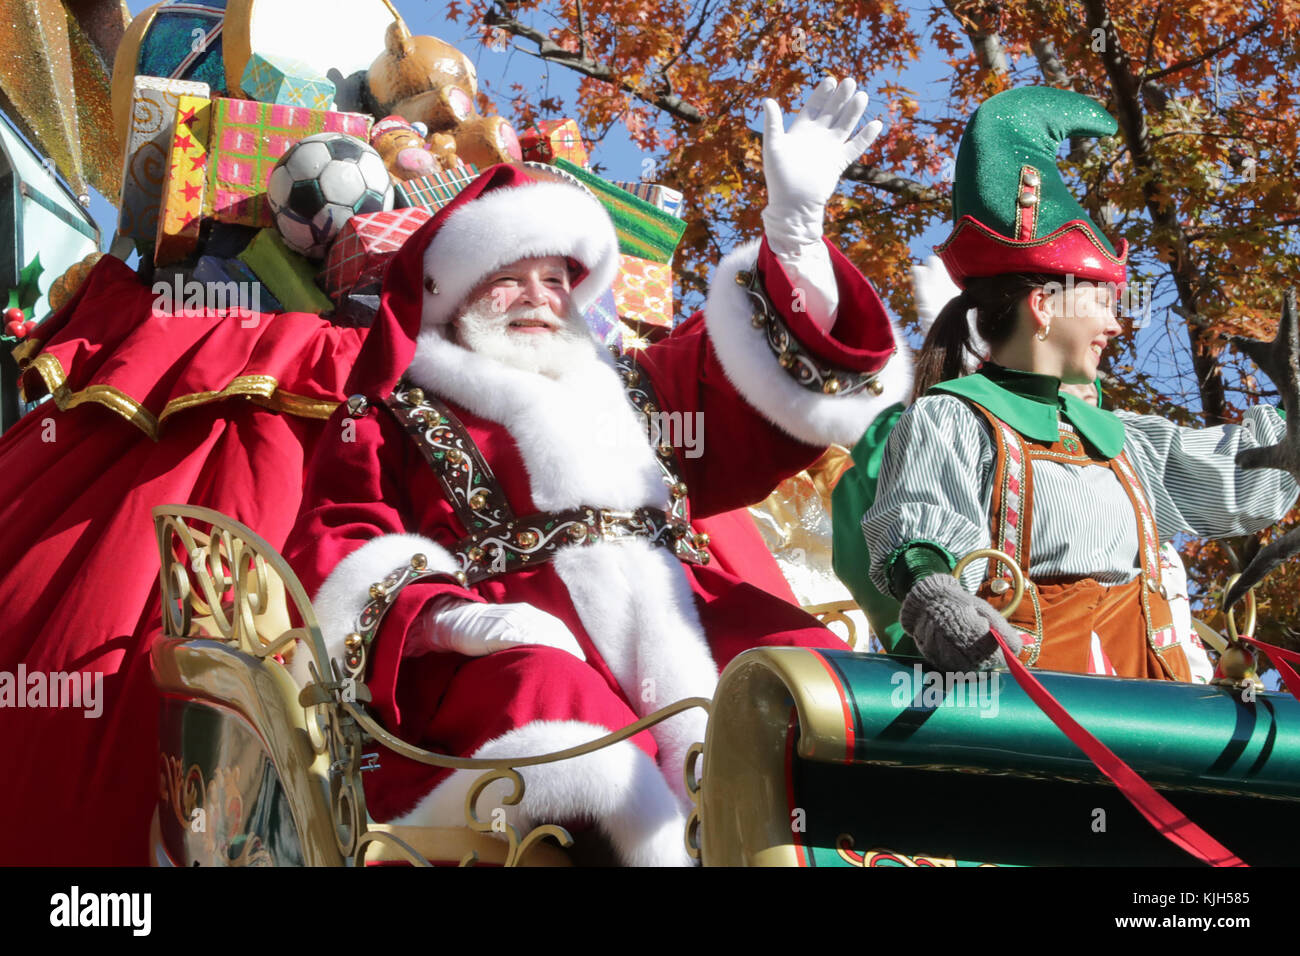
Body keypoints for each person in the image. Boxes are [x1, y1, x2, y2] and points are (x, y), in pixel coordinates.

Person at [283, 77, 912, 866]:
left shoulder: (637, 389)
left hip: (684, 622)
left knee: (807, 677)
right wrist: (446, 616)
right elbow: (341, 536)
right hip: (509, 644)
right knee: (556, 712)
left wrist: (793, 239)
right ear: (456, 292)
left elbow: (762, 396)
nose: (541, 298)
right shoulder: (394, 413)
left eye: (557, 280)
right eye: (511, 275)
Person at [861, 85, 1296, 679]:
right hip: (1024, 714)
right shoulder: (953, 417)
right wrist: (939, 599)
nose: (1116, 324)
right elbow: (919, 530)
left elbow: (1248, 473)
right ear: (1044, 305)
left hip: (1148, 714)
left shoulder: (1125, 444)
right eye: (1102, 301)